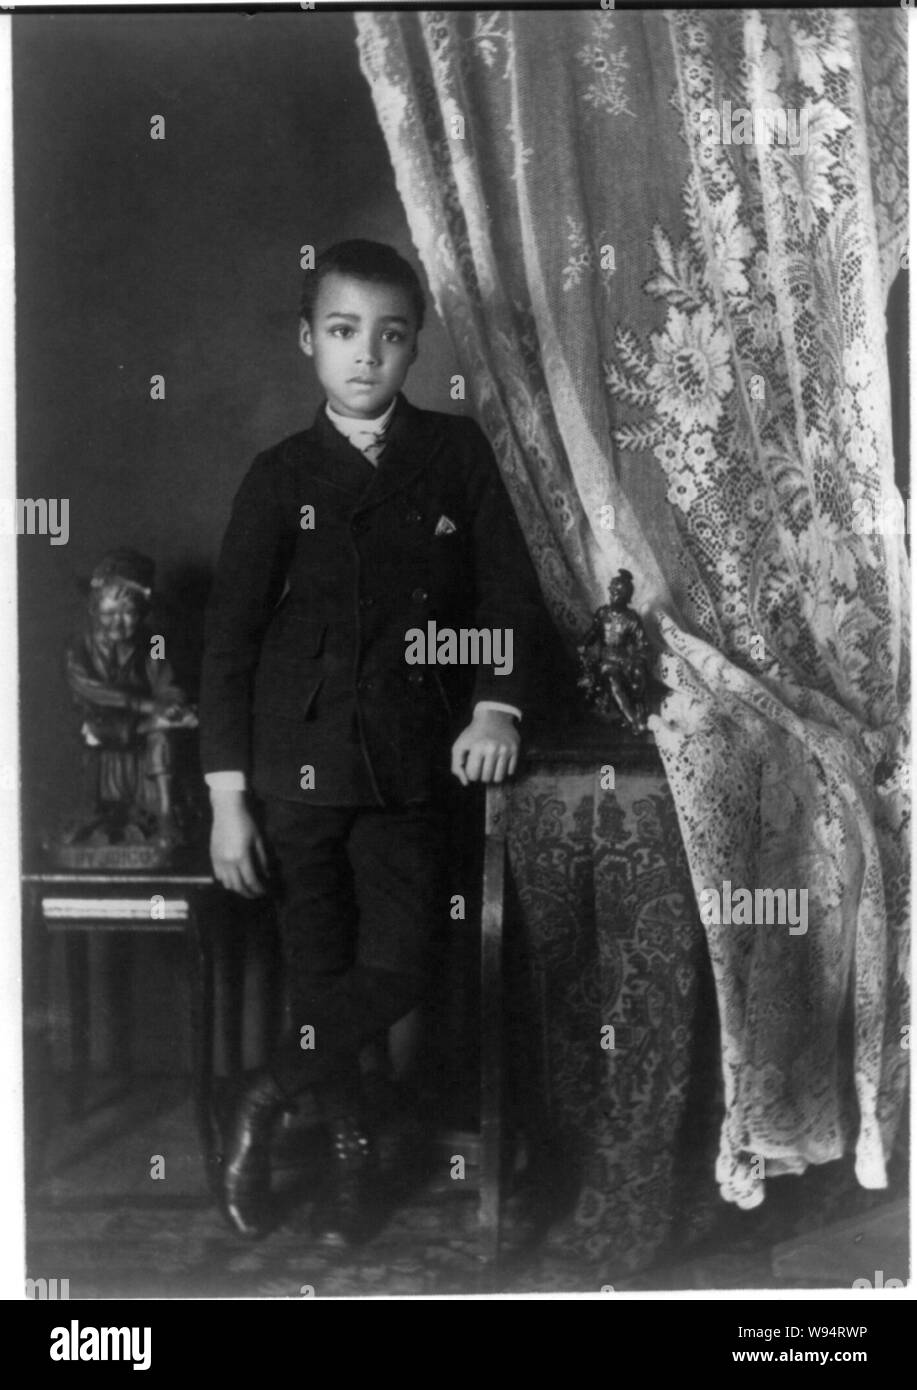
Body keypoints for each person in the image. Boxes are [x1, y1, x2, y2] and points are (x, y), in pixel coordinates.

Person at [199, 240, 544, 1246]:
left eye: (390, 337)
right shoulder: (279, 476)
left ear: (412, 346)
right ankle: (352, 1164)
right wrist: (226, 795)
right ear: (309, 340)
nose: (366, 357)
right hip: (291, 772)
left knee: (396, 968)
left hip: (407, 767)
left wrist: (495, 707)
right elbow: (227, 639)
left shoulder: (454, 455)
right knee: (319, 976)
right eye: (344, 333)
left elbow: (505, 596)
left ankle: (260, 1096)